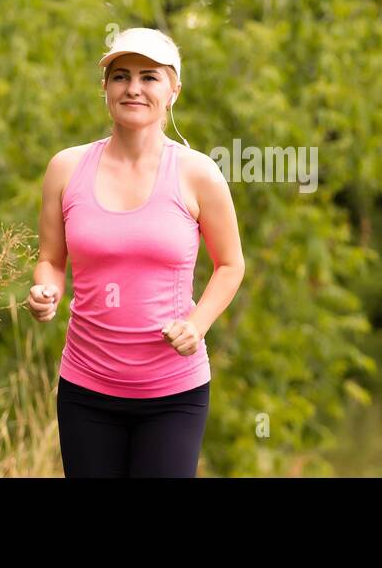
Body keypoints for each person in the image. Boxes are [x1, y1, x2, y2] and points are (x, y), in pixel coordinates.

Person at [26, 27, 245, 477]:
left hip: (173, 392)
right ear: (105, 87)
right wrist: (45, 292)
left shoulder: (197, 173)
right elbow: (51, 258)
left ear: (172, 90)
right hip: (86, 388)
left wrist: (197, 325)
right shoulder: (66, 168)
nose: (133, 88)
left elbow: (230, 264)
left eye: (150, 77)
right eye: (120, 76)